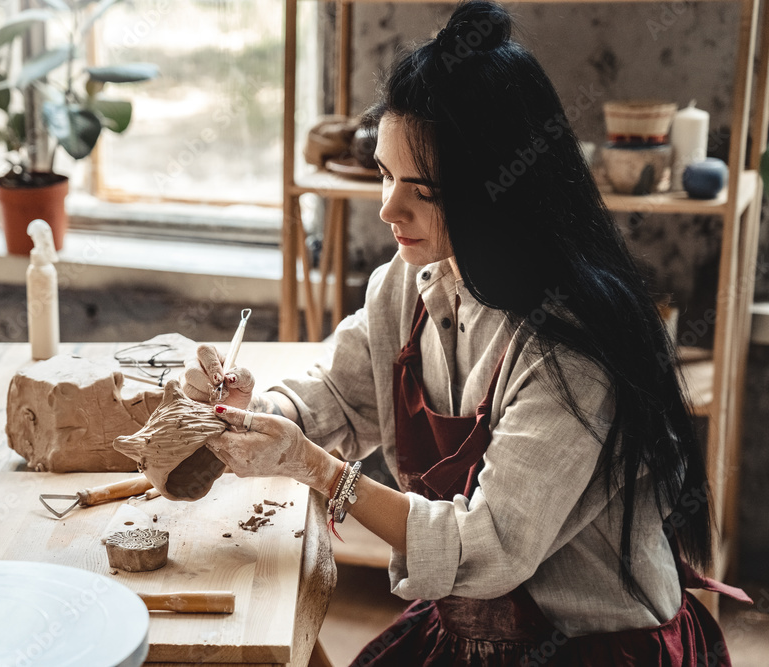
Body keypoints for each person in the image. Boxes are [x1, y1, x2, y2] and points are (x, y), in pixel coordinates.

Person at [183, 2, 751, 664]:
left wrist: (320, 471)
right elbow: (336, 395)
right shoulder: (410, 279)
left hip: (595, 646)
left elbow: (488, 547)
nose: (388, 208)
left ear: (493, 193)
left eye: (419, 190)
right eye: (385, 174)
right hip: (470, 631)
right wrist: (259, 410)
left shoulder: (570, 350)